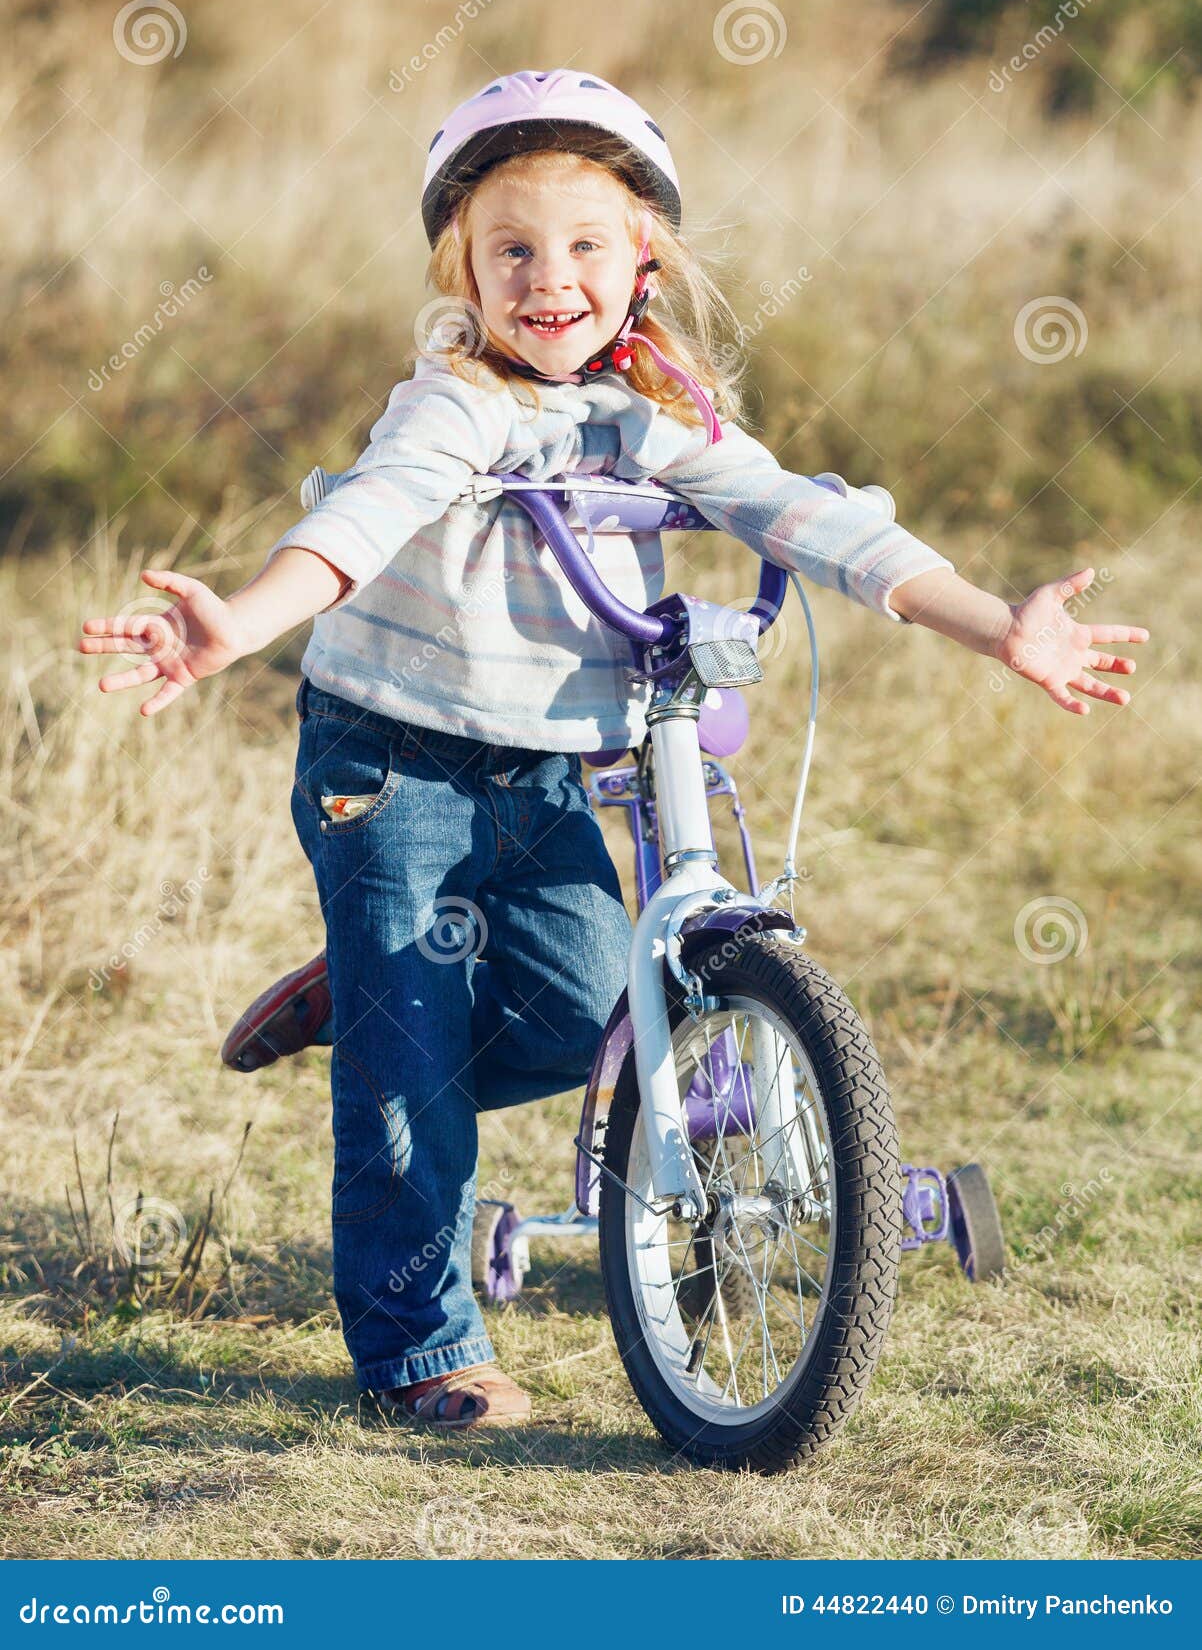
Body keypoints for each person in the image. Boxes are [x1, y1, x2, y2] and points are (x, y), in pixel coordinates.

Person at [77, 69, 1148, 1431]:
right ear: (458, 264)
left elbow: (805, 518)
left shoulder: (658, 414)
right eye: (511, 247)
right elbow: (363, 519)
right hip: (390, 763)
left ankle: (376, 992)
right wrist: (236, 624)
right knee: (410, 1085)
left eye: (584, 244)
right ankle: (422, 1350)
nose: (548, 277)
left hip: (536, 765)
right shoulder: (454, 402)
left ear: (643, 253)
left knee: (592, 1014)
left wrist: (998, 624)